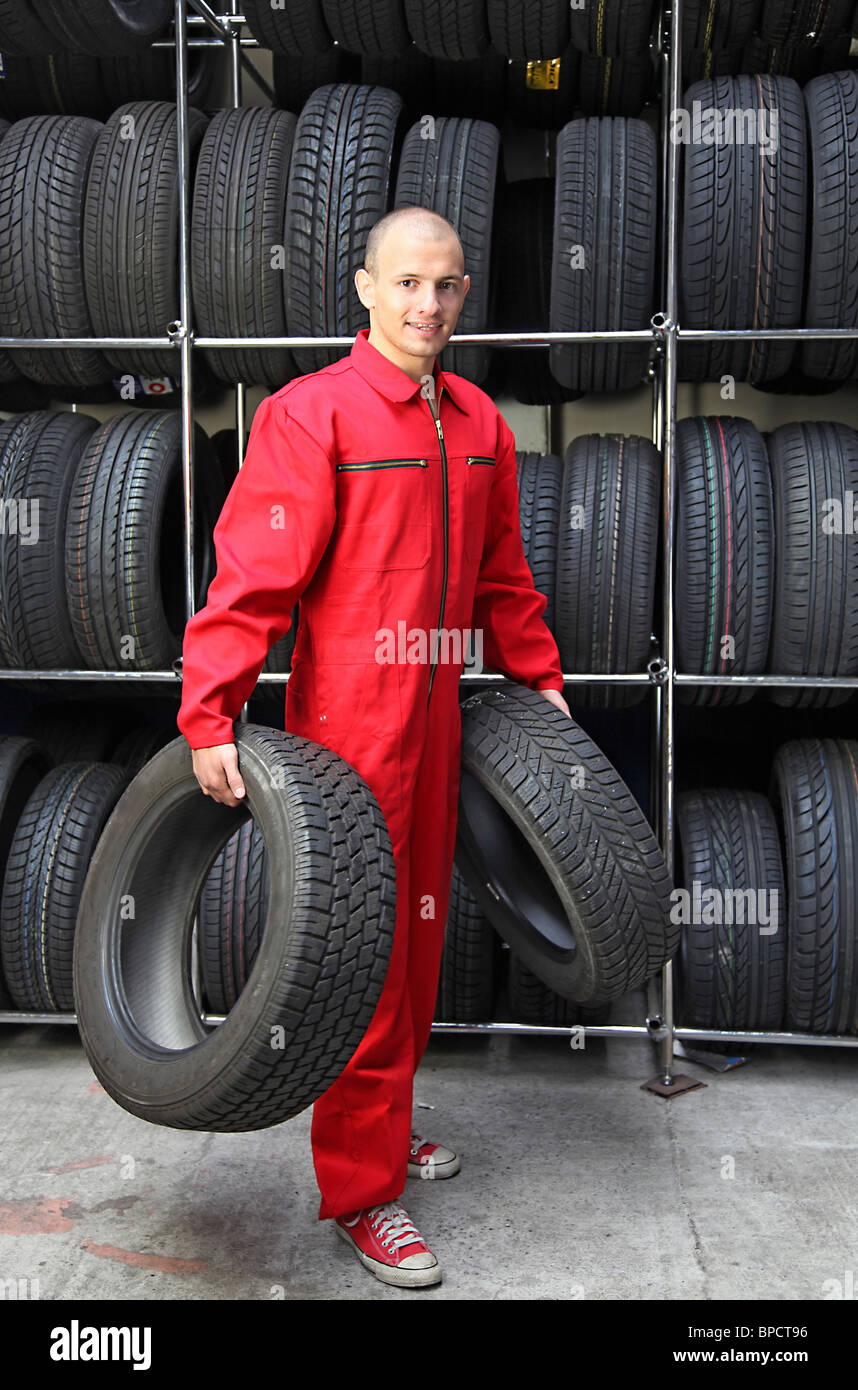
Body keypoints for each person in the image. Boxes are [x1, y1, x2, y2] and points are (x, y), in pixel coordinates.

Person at [176, 205, 570, 1290]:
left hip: (439, 709)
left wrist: (540, 683)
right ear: (363, 287)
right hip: (347, 725)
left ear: (464, 289)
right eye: (405, 284)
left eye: (445, 286)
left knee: (418, 942)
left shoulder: (482, 420)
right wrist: (211, 711)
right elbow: (252, 576)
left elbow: (501, 577)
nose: (427, 306)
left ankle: (386, 1137)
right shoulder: (316, 417)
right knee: (361, 960)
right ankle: (361, 1192)